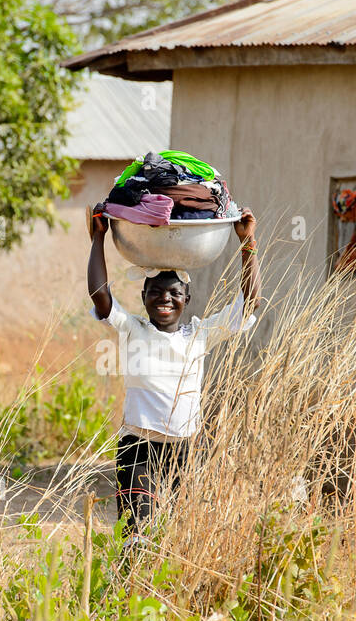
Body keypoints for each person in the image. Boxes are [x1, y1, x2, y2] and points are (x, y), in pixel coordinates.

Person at [87, 206, 262, 544]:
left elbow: (249, 302)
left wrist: (248, 242)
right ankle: (130, 593)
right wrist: (99, 238)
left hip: (183, 450)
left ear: (187, 299)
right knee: (135, 533)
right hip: (137, 447)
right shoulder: (132, 329)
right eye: (155, 292)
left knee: (176, 533)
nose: (164, 299)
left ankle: (166, 593)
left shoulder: (200, 335)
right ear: (143, 297)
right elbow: (100, 296)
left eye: (174, 294)